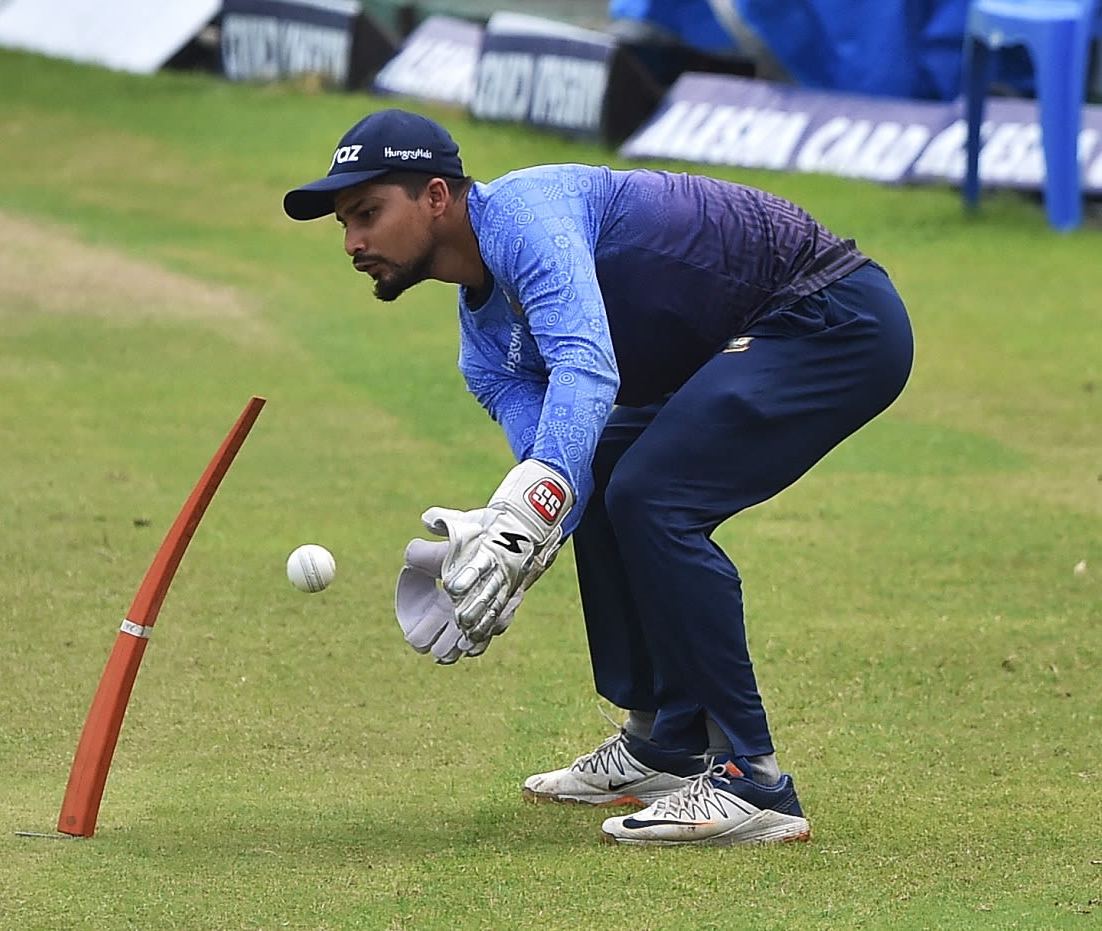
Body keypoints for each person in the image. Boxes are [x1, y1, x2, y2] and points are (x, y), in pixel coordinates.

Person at [282, 109, 913, 847]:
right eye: (343, 224)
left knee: (653, 492)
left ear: (435, 197)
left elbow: (586, 363)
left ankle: (756, 781)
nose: (354, 242)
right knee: (613, 471)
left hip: (830, 312)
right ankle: (669, 741)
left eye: (367, 213)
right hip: (754, 337)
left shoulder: (525, 215)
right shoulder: (485, 354)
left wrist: (527, 513)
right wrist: (493, 544)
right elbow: (562, 477)